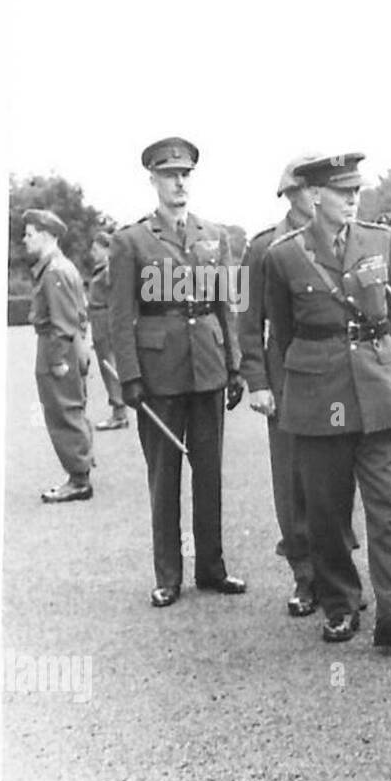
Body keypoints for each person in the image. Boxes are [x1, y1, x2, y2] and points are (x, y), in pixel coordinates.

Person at [262, 152, 391, 650]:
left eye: (357, 191)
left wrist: (388, 373)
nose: (354, 199)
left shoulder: (381, 240)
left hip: (377, 393)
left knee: (388, 507)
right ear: (315, 196)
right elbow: (283, 333)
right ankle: (339, 605)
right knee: (327, 511)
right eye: (343, 192)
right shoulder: (285, 255)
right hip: (319, 394)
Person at [109, 137, 247, 606]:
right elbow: (118, 315)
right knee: (164, 477)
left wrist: (233, 365)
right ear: (154, 181)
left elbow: (227, 302)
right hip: (159, 372)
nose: (179, 182)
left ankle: (212, 568)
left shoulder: (214, 234)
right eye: (170, 175)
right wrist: (129, 377)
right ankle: (168, 574)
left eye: (185, 174)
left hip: (207, 367)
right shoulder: (131, 241)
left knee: (208, 474)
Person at [239, 154, 321, 617]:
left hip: (332, 376)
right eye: (308, 190)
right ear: (289, 195)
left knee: (332, 478)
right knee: (292, 479)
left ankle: (335, 571)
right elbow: (246, 321)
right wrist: (256, 381)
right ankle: (305, 575)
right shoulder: (263, 246)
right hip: (286, 376)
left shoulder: (344, 240)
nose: (316, 197)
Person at [23, 208, 94, 503]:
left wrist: (56, 362)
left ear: (46, 235)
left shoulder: (54, 272)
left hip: (57, 350)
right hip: (67, 348)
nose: (24, 240)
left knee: (62, 412)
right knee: (71, 409)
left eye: (29, 235)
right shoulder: (60, 268)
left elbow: (61, 324)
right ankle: (82, 468)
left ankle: (79, 480)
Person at [85, 231, 129, 430]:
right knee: (108, 366)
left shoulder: (110, 270)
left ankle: (119, 413)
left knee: (109, 366)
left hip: (105, 319)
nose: (92, 253)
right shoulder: (103, 269)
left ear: (106, 249)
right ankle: (118, 411)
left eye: (96, 249)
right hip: (99, 318)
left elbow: (116, 299)